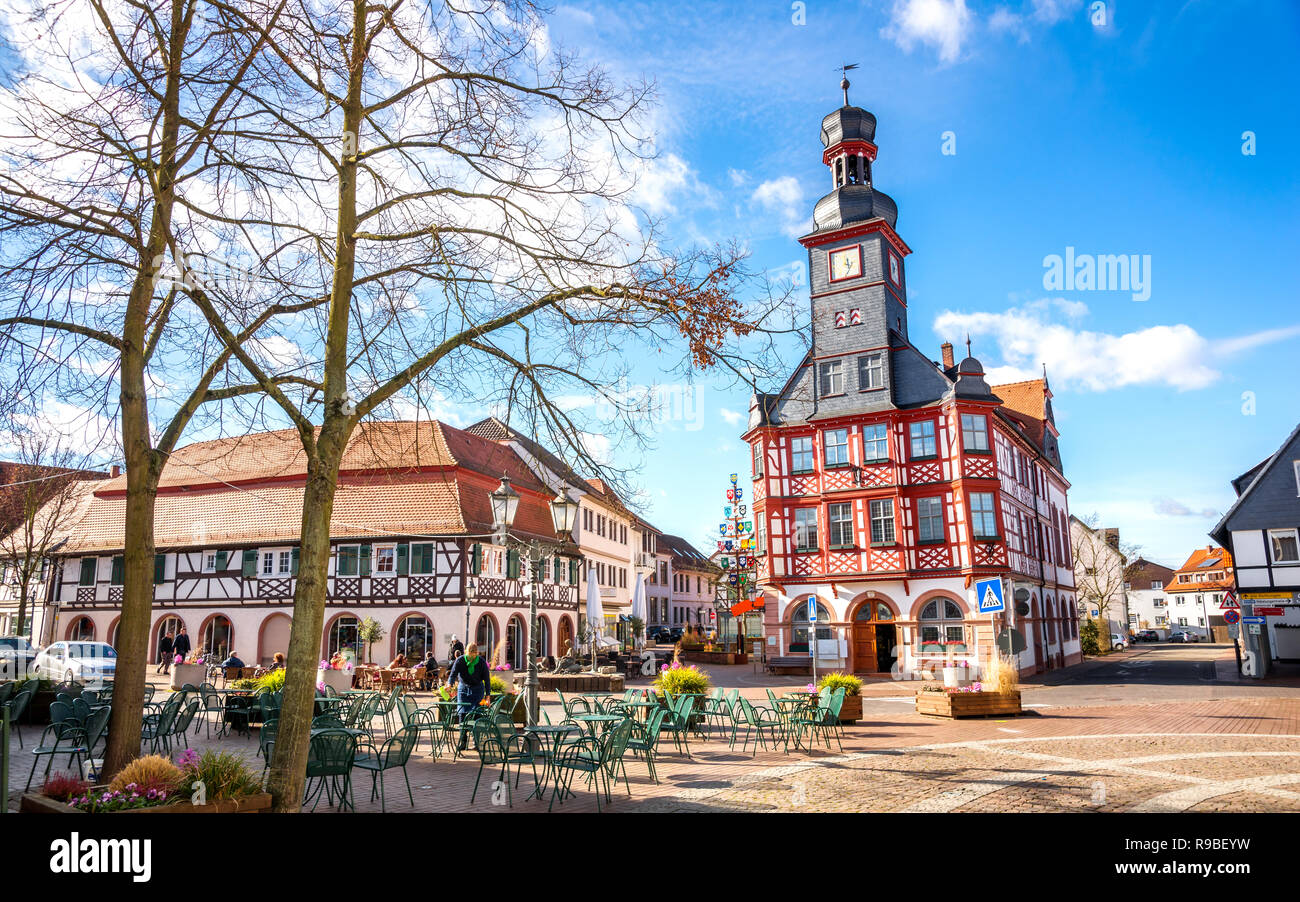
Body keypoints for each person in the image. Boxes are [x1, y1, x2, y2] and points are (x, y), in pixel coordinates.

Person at [447, 642, 490, 750]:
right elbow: (453, 674)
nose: (472, 655)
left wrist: (487, 696)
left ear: (477, 653)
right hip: (463, 689)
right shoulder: (460, 660)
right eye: (470, 653)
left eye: (474, 653)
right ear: (466, 652)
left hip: (478, 690)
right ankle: (463, 741)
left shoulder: (481, 662)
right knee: (462, 713)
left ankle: (476, 742)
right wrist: (449, 684)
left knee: (477, 715)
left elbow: (487, 680)